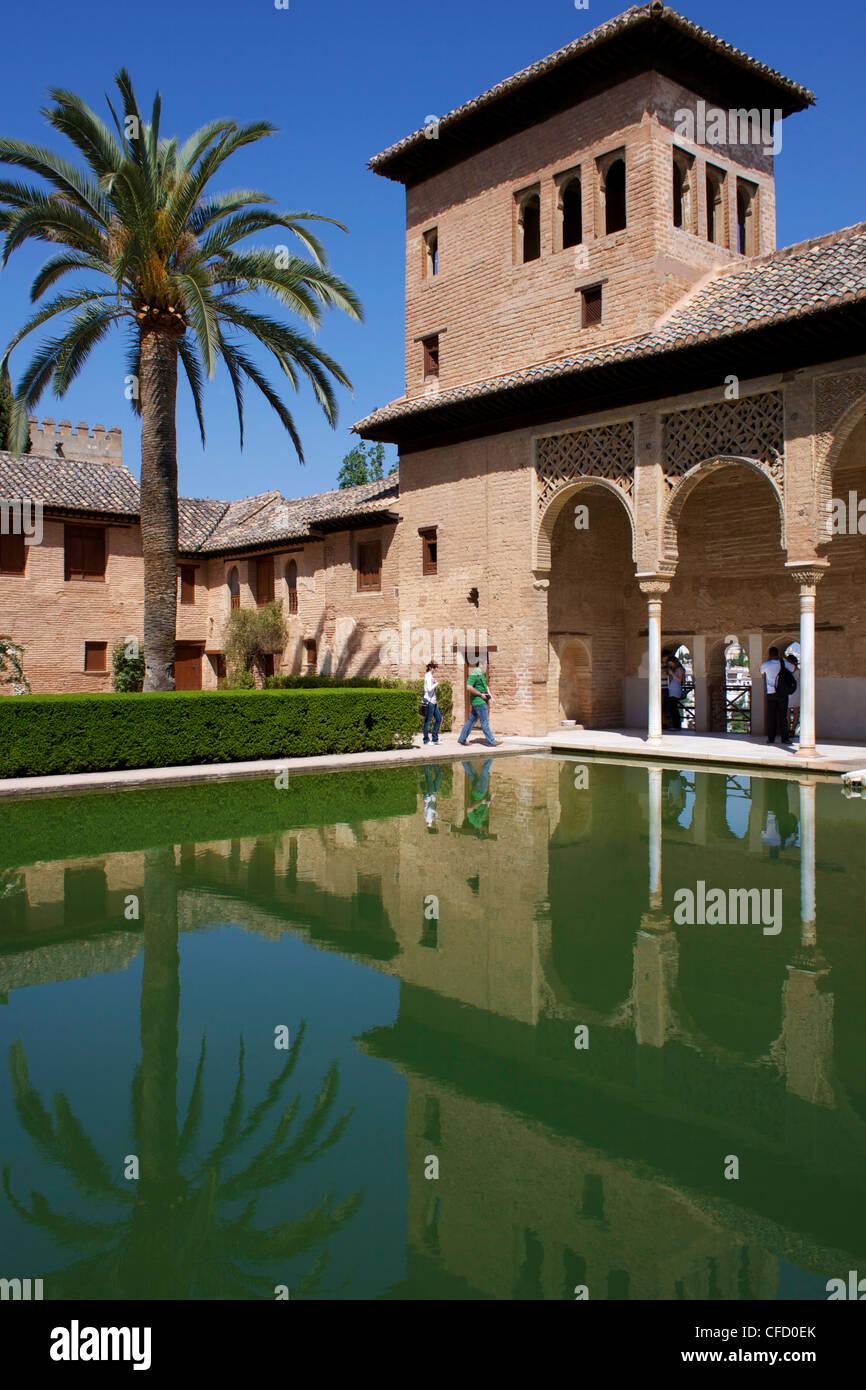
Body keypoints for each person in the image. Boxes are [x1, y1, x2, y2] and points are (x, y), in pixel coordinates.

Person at [457, 657, 500, 747]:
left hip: (480, 701)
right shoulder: (474, 674)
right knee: (484, 722)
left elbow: (486, 686)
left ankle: (462, 739)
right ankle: (492, 741)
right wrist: (480, 694)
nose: (487, 666)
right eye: (486, 664)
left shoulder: (482, 674)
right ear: (481, 664)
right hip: (479, 701)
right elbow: (468, 687)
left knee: (471, 720)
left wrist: (491, 697)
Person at [759, 646, 792, 746]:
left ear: (769, 654)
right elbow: (793, 668)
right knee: (783, 716)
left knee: (771, 716)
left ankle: (771, 738)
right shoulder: (783, 663)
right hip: (782, 693)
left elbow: (761, 671)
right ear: (778, 654)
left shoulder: (766, 664)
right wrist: (783, 659)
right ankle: (785, 738)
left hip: (771, 693)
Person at [422, 660, 442, 744]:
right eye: (434, 667)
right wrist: (436, 683)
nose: (435, 669)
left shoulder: (430, 676)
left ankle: (435, 738)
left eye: (436, 667)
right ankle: (426, 740)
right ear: (430, 667)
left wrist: (434, 682)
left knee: (439, 719)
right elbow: (429, 689)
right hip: (429, 702)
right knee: (428, 721)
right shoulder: (428, 676)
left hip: (433, 702)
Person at [666, 655, 686, 731]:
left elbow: (679, 680)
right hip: (672, 690)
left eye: (671, 664)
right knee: (672, 708)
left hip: (676, 690)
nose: (670, 665)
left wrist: (672, 674)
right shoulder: (674, 669)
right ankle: (674, 725)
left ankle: (677, 725)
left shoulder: (679, 669)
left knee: (674, 708)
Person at [786, 653, 800, 739]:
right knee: (796, 712)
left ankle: (788, 729)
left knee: (788, 712)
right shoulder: (799, 671)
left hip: (790, 692)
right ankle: (792, 730)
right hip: (797, 691)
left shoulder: (787, 671)